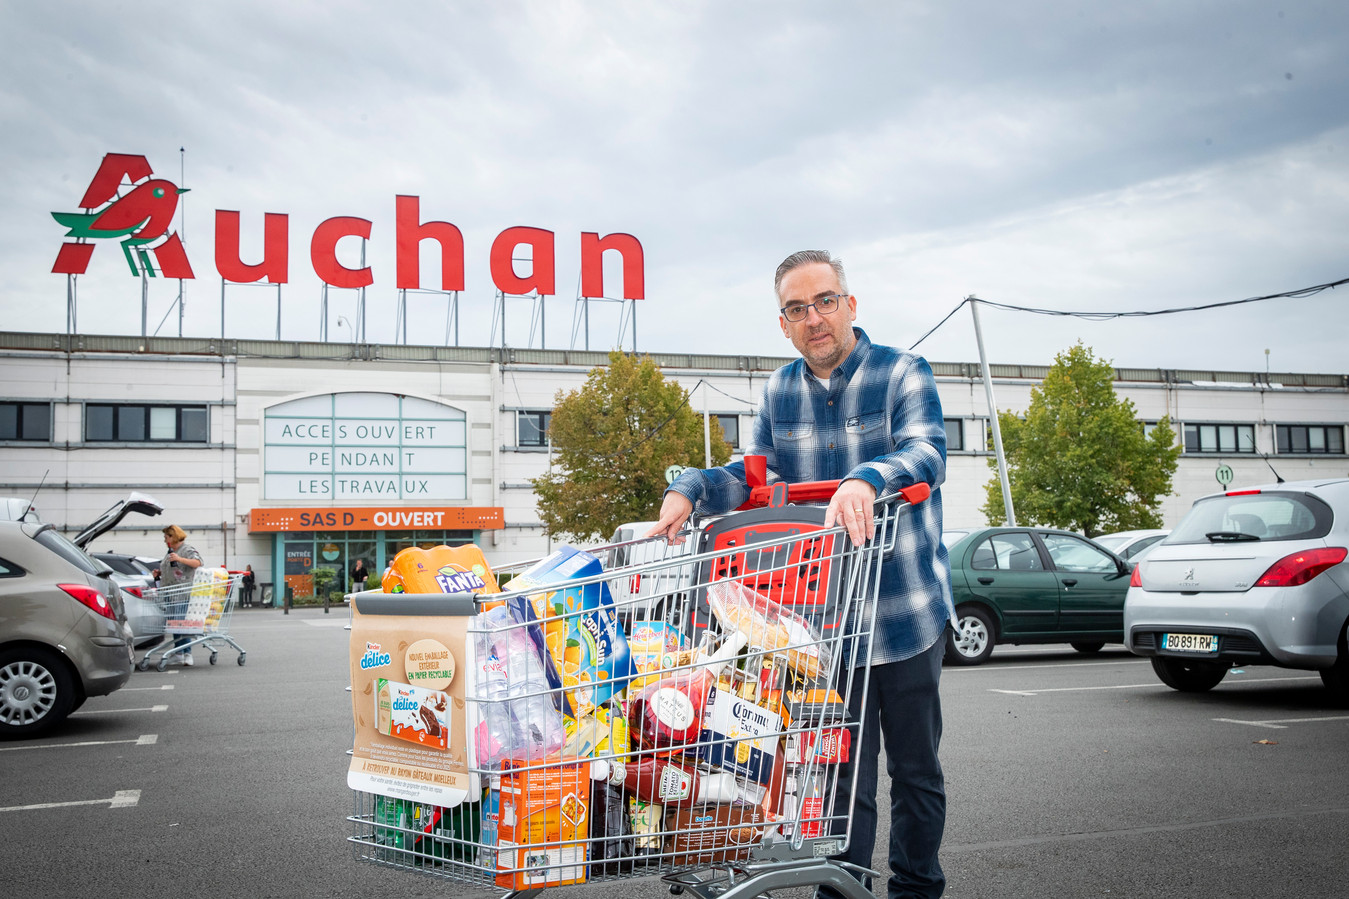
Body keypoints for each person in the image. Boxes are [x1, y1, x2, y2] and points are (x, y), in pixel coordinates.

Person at [649, 250, 956, 899]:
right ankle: (841, 893)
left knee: (914, 770)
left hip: (902, 610)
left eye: (824, 301)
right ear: (783, 323)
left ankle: (915, 891)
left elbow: (926, 450)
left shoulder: (901, 372)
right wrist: (689, 488)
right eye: (797, 308)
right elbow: (747, 475)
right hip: (823, 628)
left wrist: (866, 478)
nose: (813, 317)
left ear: (849, 304)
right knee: (839, 783)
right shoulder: (780, 391)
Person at [152, 524, 204, 667]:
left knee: (182, 624)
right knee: (175, 624)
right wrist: (160, 574)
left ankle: (187, 653)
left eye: (166, 537)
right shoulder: (170, 551)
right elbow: (175, 570)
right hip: (170, 593)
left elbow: (198, 562)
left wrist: (180, 559)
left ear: (173, 536)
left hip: (182, 593)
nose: (164, 540)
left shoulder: (186, 550)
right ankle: (178, 653)